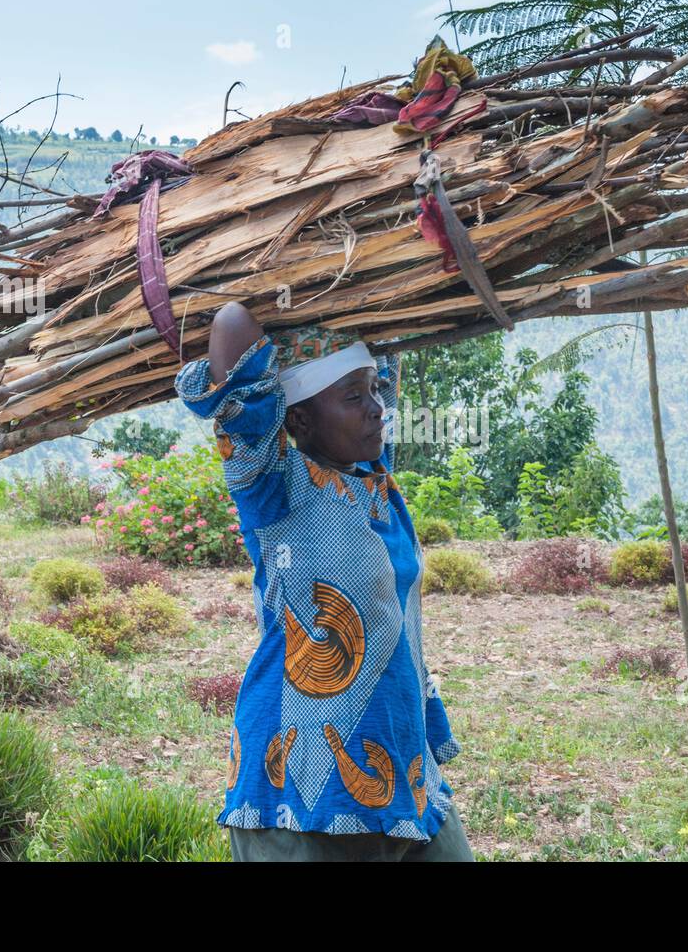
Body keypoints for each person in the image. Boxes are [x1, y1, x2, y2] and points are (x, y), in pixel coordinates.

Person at [173, 300, 474, 862]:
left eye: (375, 391)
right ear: (299, 420)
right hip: (304, 786)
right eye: (354, 396)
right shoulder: (272, 487)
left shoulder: (374, 483)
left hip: (403, 766)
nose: (378, 409)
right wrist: (272, 284)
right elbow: (232, 323)